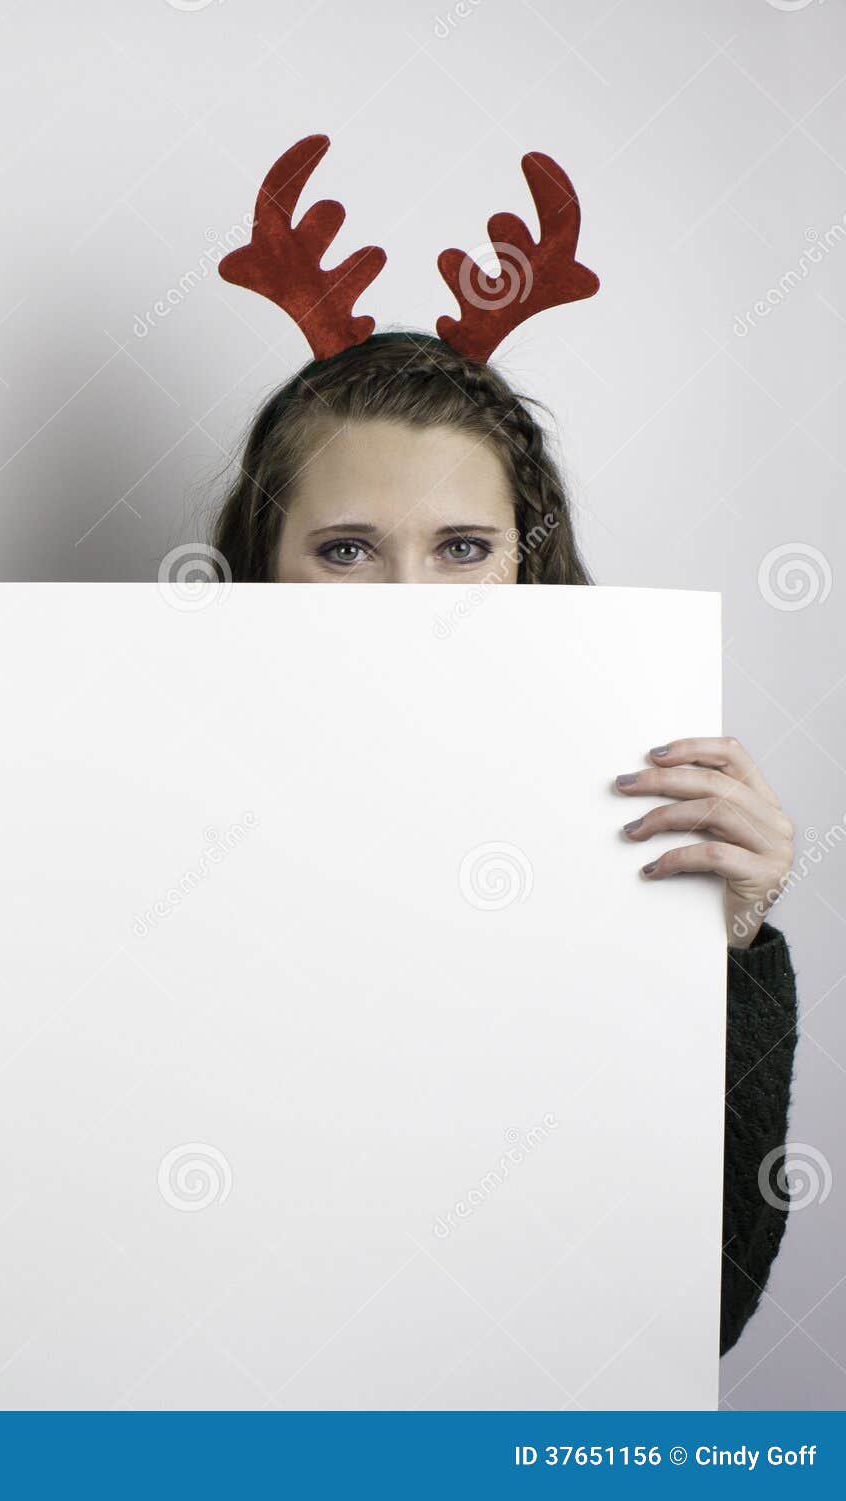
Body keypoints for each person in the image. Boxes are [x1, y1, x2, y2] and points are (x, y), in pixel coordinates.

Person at [210, 137, 800, 1357]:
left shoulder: (614, 834)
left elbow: (704, 1312)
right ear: (263, 565)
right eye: (346, 548)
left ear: (529, 564)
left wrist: (728, 945)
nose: (413, 596)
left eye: (463, 548)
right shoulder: (159, 816)